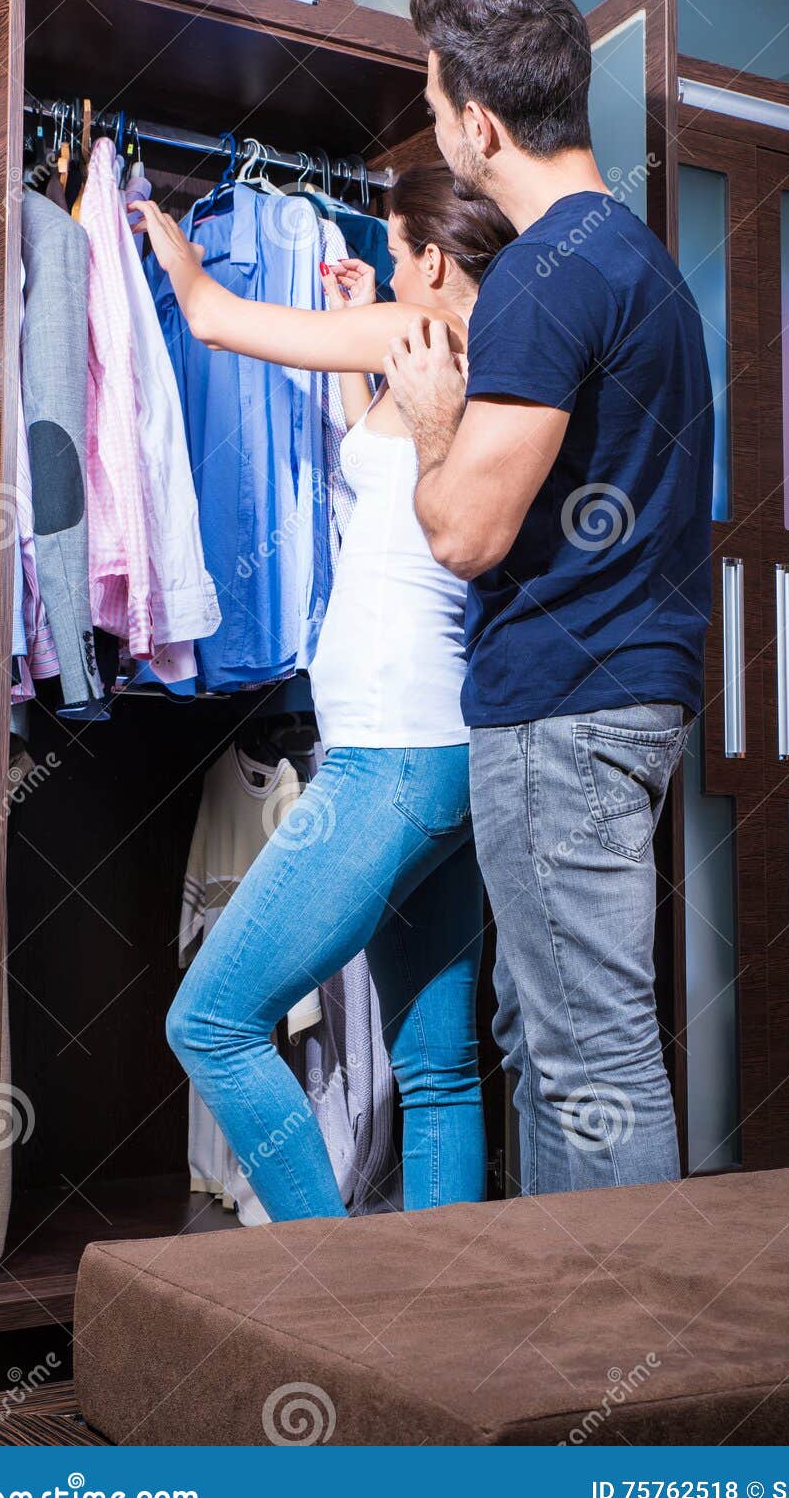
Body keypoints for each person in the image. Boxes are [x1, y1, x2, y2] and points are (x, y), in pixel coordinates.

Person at [382, 0, 714, 1196]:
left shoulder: (540, 271)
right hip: (629, 694)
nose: (433, 126)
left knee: (588, 1052)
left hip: (559, 709)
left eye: (432, 102)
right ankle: (582, 1346)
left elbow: (465, 531)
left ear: (479, 125)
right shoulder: (638, 261)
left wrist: (430, 421)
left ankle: (636, 1365)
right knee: (547, 1037)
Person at [131, 166, 515, 1221]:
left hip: (386, 760)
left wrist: (176, 249)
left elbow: (213, 322)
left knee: (209, 1019)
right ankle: (433, 1327)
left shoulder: (424, 332)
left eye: (394, 257)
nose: (387, 274)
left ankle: (329, 1292)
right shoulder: (488, 361)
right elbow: (394, 475)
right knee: (436, 1071)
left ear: (433, 265)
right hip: (443, 758)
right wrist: (357, 327)